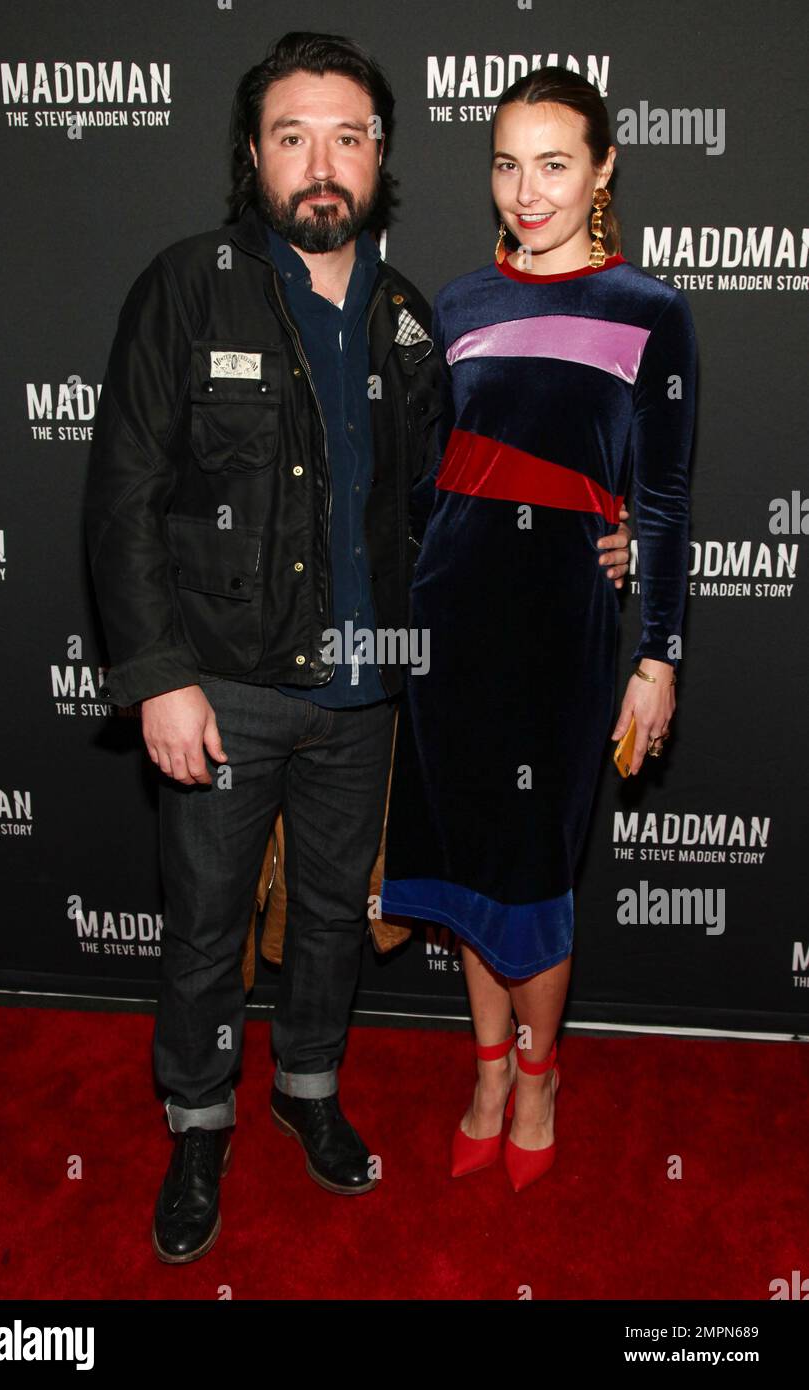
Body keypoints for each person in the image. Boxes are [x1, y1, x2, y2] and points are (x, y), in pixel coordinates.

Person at [84, 35, 633, 1264]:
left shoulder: (407, 319)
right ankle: (201, 1119)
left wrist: (602, 545)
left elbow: (467, 499)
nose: (320, 161)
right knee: (206, 921)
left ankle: (311, 1090)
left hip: (369, 692)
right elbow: (121, 494)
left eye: (346, 136)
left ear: (381, 155)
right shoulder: (189, 284)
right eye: (293, 135)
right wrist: (158, 675)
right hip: (220, 684)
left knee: (334, 913)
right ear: (253, 155)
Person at [380, 65, 697, 1194]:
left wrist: (656, 652)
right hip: (447, 624)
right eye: (507, 163)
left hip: (560, 634)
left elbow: (658, 501)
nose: (527, 190)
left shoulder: (650, 314)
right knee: (468, 867)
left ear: (602, 168)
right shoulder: (453, 307)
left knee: (534, 873)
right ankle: (480, 1067)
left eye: (553, 163)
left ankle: (538, 1070)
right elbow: (423, 482)